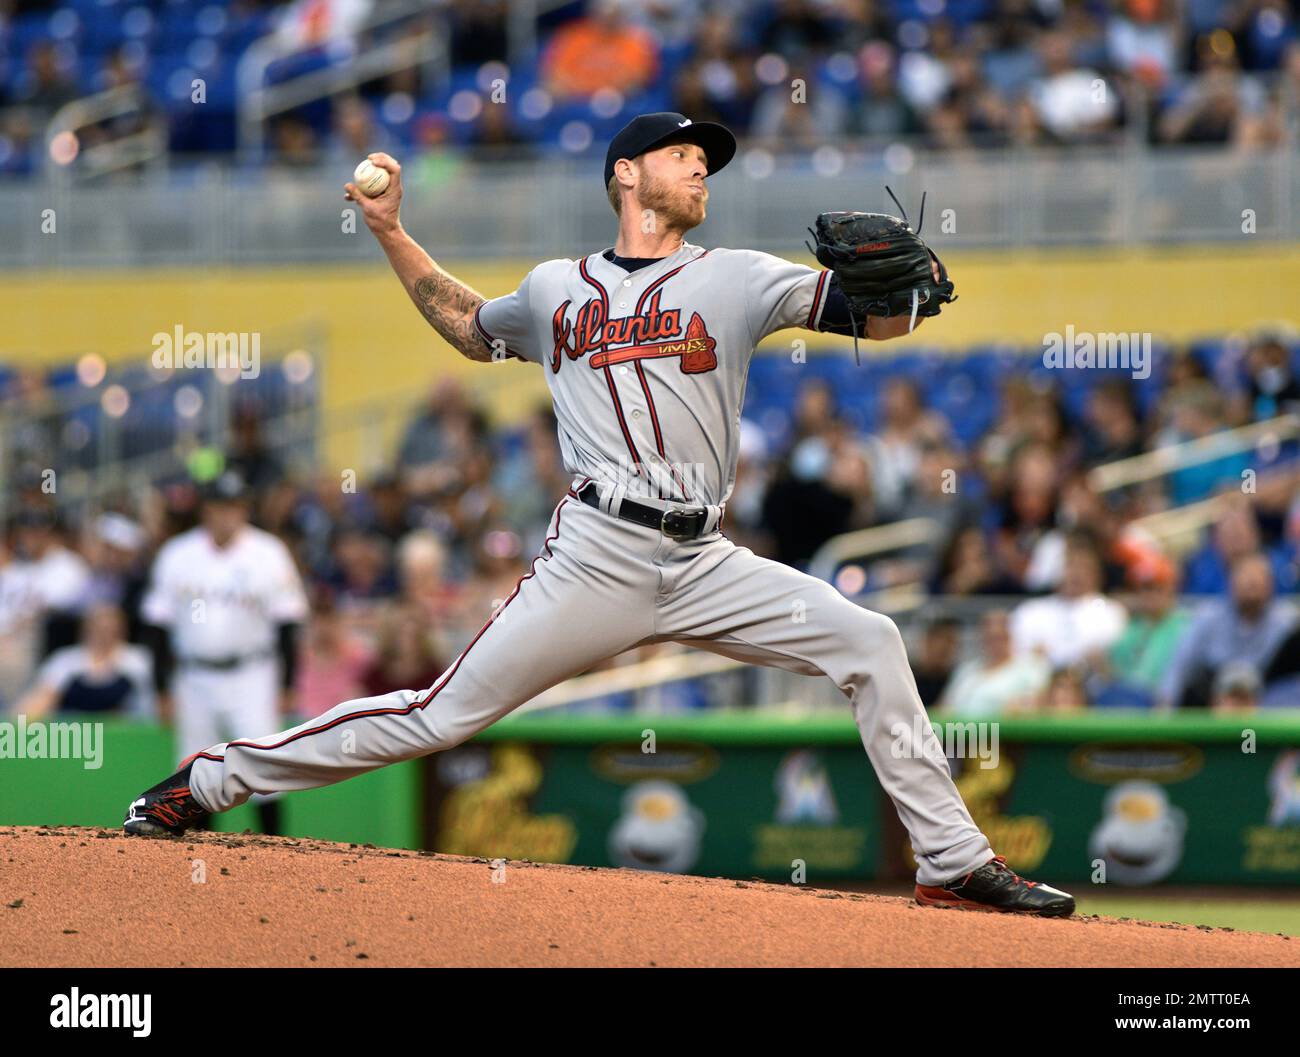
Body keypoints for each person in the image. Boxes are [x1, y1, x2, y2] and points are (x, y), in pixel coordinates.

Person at [123, 113, 1075, 917]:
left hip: (705, 558)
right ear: (626, 173)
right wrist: (389, 230)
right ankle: (208, 781)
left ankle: (950, 861)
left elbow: (878, 317)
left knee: (868, 640)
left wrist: (913, 290)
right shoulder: (553, 289)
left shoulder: (738, 276)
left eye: (708, 159)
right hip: (595, 554)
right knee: (437, 714)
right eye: (682, 152)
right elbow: (466, 325)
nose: (701, 164)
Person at [138, 471, 309, 834]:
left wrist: (288, 683)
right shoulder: (178, 554)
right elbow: (156, 626)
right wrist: (161, 688)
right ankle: (205, 862)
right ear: (205, 510)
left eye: (233, 506)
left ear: (244, 509)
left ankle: (276, 858)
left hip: (253, 672)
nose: (225, 515)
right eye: (218, 506)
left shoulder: (269, 553)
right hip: (193, 675)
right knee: (195, 770)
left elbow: (288, 622)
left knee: (264, 766)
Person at [14, 604, 154, 719]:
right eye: (98, 629)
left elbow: (148, 705)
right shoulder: (66, 660)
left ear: (122, 630)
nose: (104, 635)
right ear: (86, 630)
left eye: (111, 629)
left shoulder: (136, 660)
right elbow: (41, 699)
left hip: (126, 733)